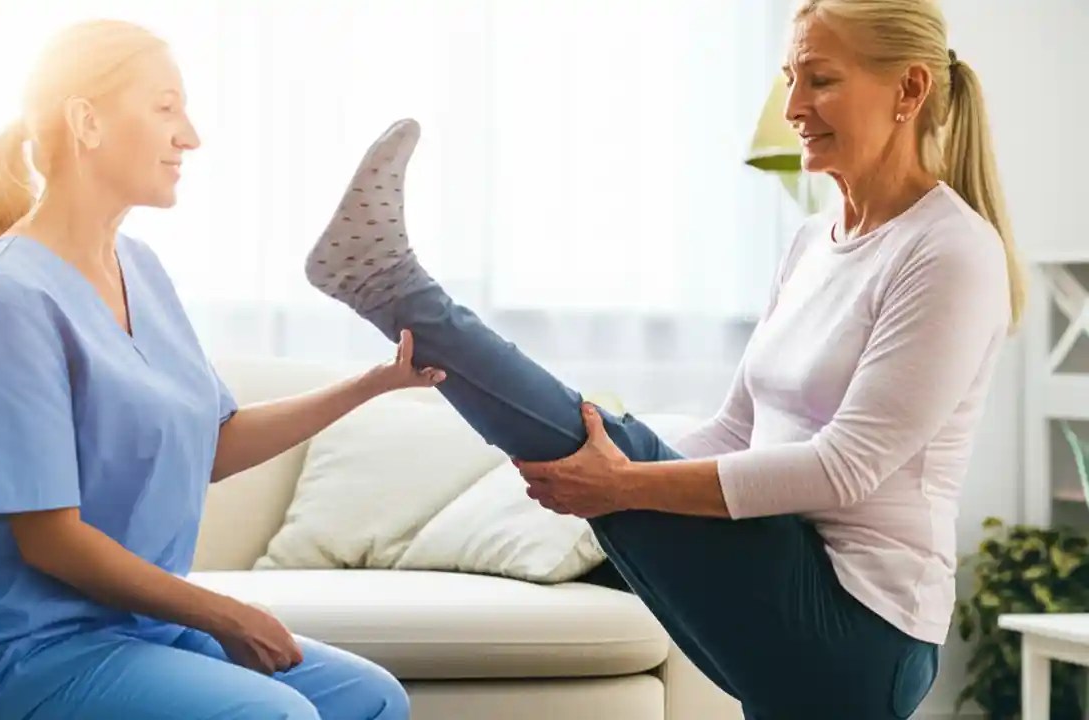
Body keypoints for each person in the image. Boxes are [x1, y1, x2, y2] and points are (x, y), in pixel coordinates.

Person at [303, 0, 1022, 718]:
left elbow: (843, 468)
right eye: (789, 79)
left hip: (860, 619)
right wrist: (610, 468)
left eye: (821, 80)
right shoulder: (812, 241)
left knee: (616, 455)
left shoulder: (950, 252)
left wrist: (626, 482)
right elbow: (736, 429)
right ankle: (386, 284)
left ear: (909, 90)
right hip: (788, 576)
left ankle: (387, 283)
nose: (795, 106)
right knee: (608, 441)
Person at [0, 20, 441, 720]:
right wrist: (223, 613)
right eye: (165, 108)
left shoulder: (142, 270)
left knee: (370, 701)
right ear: (87, 122)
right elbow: (49, 538)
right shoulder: (4, 299)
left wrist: (374, 384)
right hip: (20, 653)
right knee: (277, 717)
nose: (190, 135)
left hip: (135, 629)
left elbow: (214, 444)